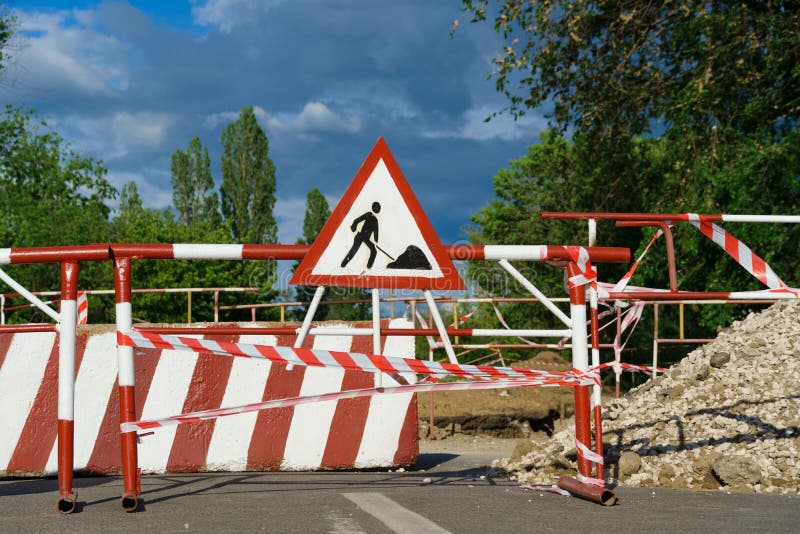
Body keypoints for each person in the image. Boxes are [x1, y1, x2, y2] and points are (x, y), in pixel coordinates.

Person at [341, 202, 381, 269]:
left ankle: (369, 267)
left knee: (373, 251)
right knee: (354, 250)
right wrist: (353, 228)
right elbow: (357, 220)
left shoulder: (375, 220)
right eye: (377, 207)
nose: (378, 209)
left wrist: (376, 241)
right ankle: (343, 264)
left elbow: (376, 232)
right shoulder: (368, 214)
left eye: (379, 208)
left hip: (365, 237)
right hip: (361, 235)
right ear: (374, 208)